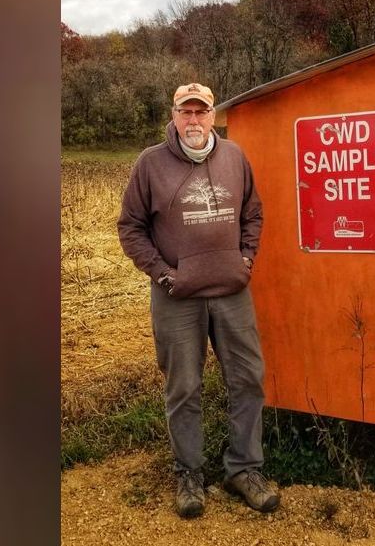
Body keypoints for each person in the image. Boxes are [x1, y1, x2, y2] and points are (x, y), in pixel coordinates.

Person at [117, 83, 279, 519]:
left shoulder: (235, 157)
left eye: (201, 111)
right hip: (177, 297)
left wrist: (246, 258)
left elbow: (253, 213)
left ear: (213, 116)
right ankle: (189, 474)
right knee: (184, 386)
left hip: (231, 292)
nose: (193, 120)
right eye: (185, 112)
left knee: (247, 379)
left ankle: (244, 469)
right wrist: (162, 273)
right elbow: (130, 227)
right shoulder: (150, 164)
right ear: (173, 115)